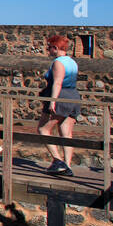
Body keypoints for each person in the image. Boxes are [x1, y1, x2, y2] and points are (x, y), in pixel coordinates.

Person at [38, 35, 80, 176]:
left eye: (49, 47)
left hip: (61, 96)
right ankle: (67, 166)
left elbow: (57, 82)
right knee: (66, 133)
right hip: (73, 96)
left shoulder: (58, 62)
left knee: (43, 129)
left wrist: (52, 101)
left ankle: (58, 161)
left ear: (55, 48)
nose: (48, 50)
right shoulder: (72, 62)